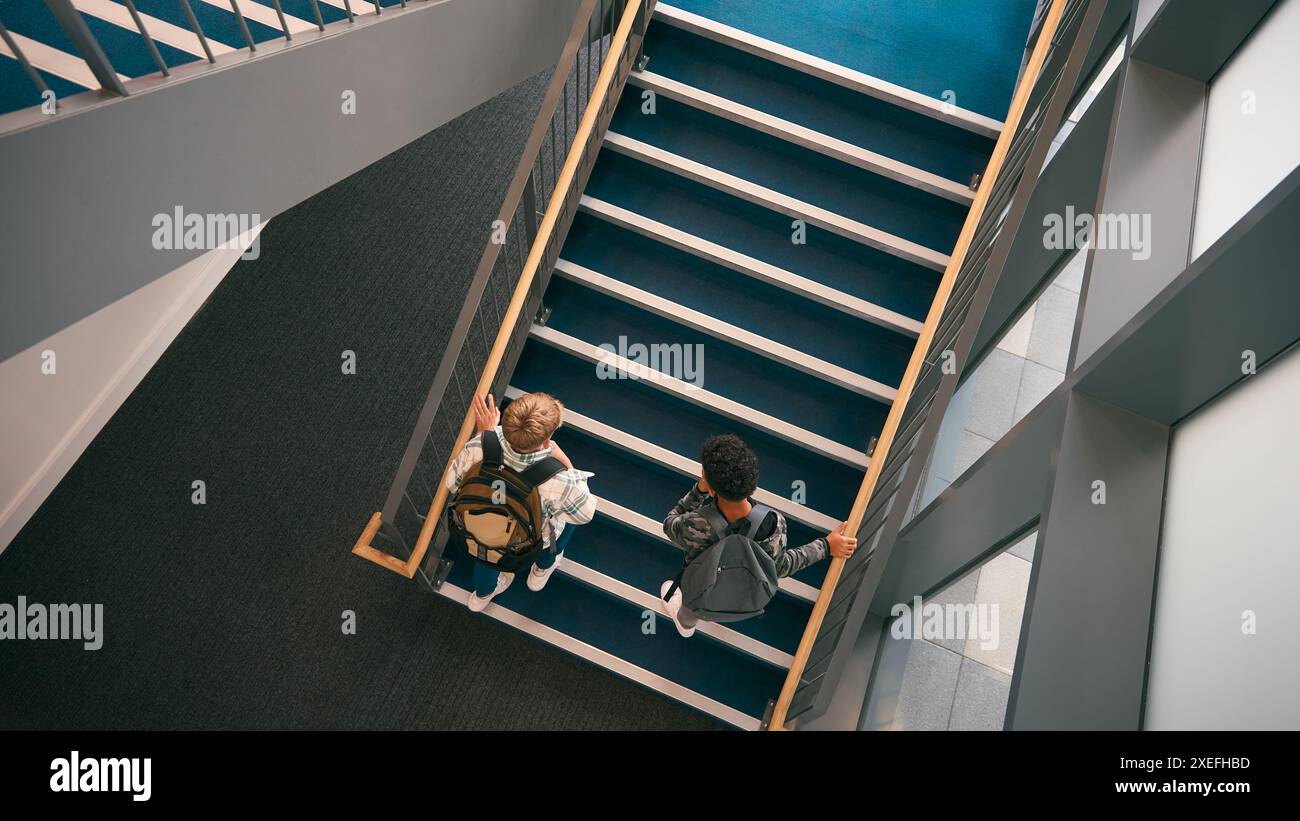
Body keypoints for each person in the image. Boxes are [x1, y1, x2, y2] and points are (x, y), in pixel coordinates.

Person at [660, 433, 856, 636]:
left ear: (711, 488)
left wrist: (699, 490)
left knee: (690, 607)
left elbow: (670, 523)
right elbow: (780, 567)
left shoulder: (696, 524)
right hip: (745, 597)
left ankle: (686, 624)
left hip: (701, 593)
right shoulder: (774, 523)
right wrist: (825, 546)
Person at [445, 392, 596, 612]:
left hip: (479, 528)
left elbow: (452, 482)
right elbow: (585, 512)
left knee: (487, 555)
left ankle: (481, 597)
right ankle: (541, 569)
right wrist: (564, 460)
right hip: (531, 540)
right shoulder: (558, 478)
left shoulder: (481, 444)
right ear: (548, 438)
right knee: (564, 522)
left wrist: (484, 434)